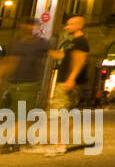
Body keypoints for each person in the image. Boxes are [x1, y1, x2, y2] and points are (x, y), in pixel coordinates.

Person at [0, 21, 53, 152]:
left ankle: (12, 142)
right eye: (25, 26)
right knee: (12, 113)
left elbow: (54, 53)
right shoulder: (16, 44)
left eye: (30, 26)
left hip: (30, 82)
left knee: (22, 114)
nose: (27, 29)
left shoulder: (41, 43)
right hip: (13, 83)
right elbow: (10, 61)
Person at [46, 14, 90, 154]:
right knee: (67, 113)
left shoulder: (81, 42)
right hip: (67, 79)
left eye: (71, 24)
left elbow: (80, 61)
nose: (67, 27)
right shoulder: (74, 42)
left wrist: (71, 78)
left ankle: (59, 144)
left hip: (67, 81)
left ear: (79, 25)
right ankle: (60, 143)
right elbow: (65, 57)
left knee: (58, 114)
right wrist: (49, 52)